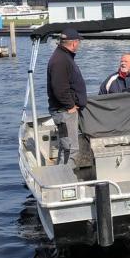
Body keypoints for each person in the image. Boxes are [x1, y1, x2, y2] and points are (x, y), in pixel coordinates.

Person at [47, 28, 86, 167]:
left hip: (65, 110)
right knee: (71, 150)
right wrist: (70, 106)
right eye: (78, 42)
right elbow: (59, 88)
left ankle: (60, 175)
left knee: (66, 148)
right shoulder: (61, 60)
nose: (79, 45)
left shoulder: (63, 56)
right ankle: (65, 180)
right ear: (74, 43)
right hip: (64, 111)